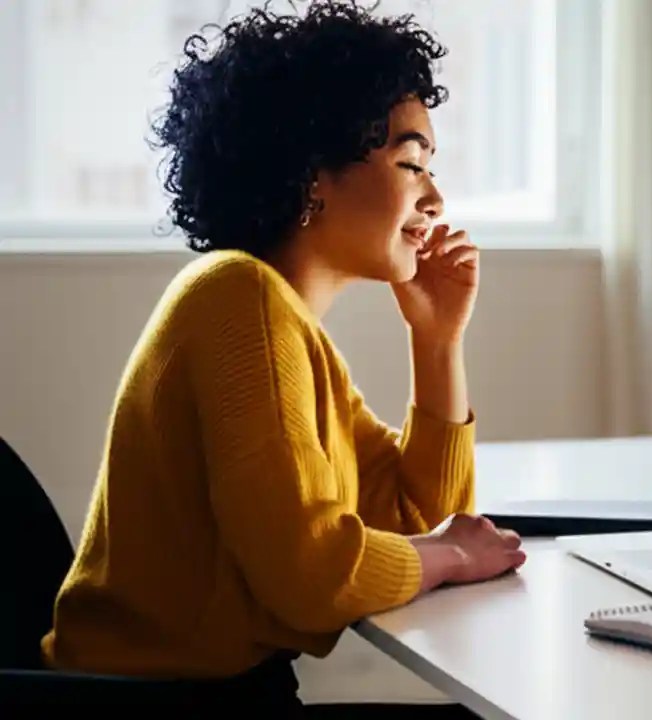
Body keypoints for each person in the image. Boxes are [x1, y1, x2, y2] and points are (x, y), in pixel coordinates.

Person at [38, 2, 522, 712]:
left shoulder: (284, 326)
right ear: (310, 174)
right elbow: (315, 575)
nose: (435, 197)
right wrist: (450, 556)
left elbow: (423, 519)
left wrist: (437, 342)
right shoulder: (240, 302)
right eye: (411, 162)